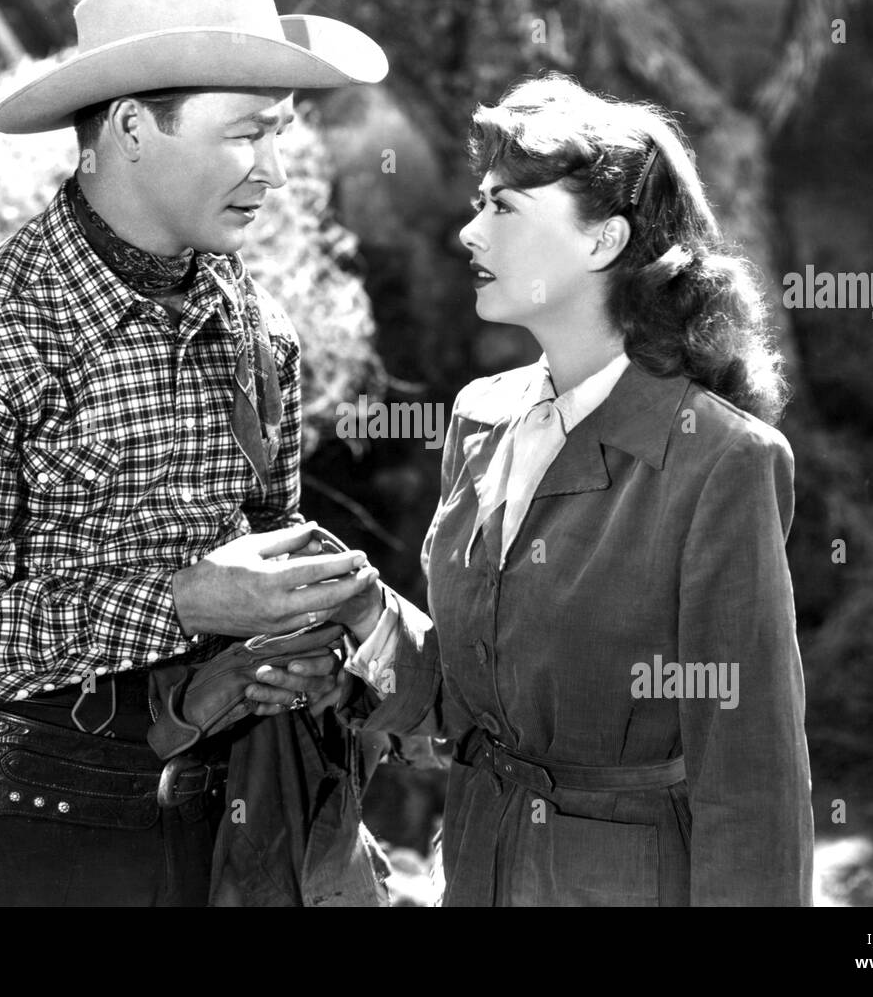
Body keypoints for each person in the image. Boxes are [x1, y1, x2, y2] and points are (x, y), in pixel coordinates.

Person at [0, 0, 388, 906]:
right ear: (135, 127)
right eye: (244, 134)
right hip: (25, 850)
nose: (274, 168)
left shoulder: (255, 326)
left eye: (280, 133)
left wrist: (291, 640)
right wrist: (181, 602)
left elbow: (262, 554)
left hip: (228, 837)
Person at [334, 73, 814, 906]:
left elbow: (752, 783)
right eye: (479, 202)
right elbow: (472, 697)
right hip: (477, 871)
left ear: (602, 242)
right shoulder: (481, 417)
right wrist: (367, 615)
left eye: (505, 208)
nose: (469, 229)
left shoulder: (722, 462)